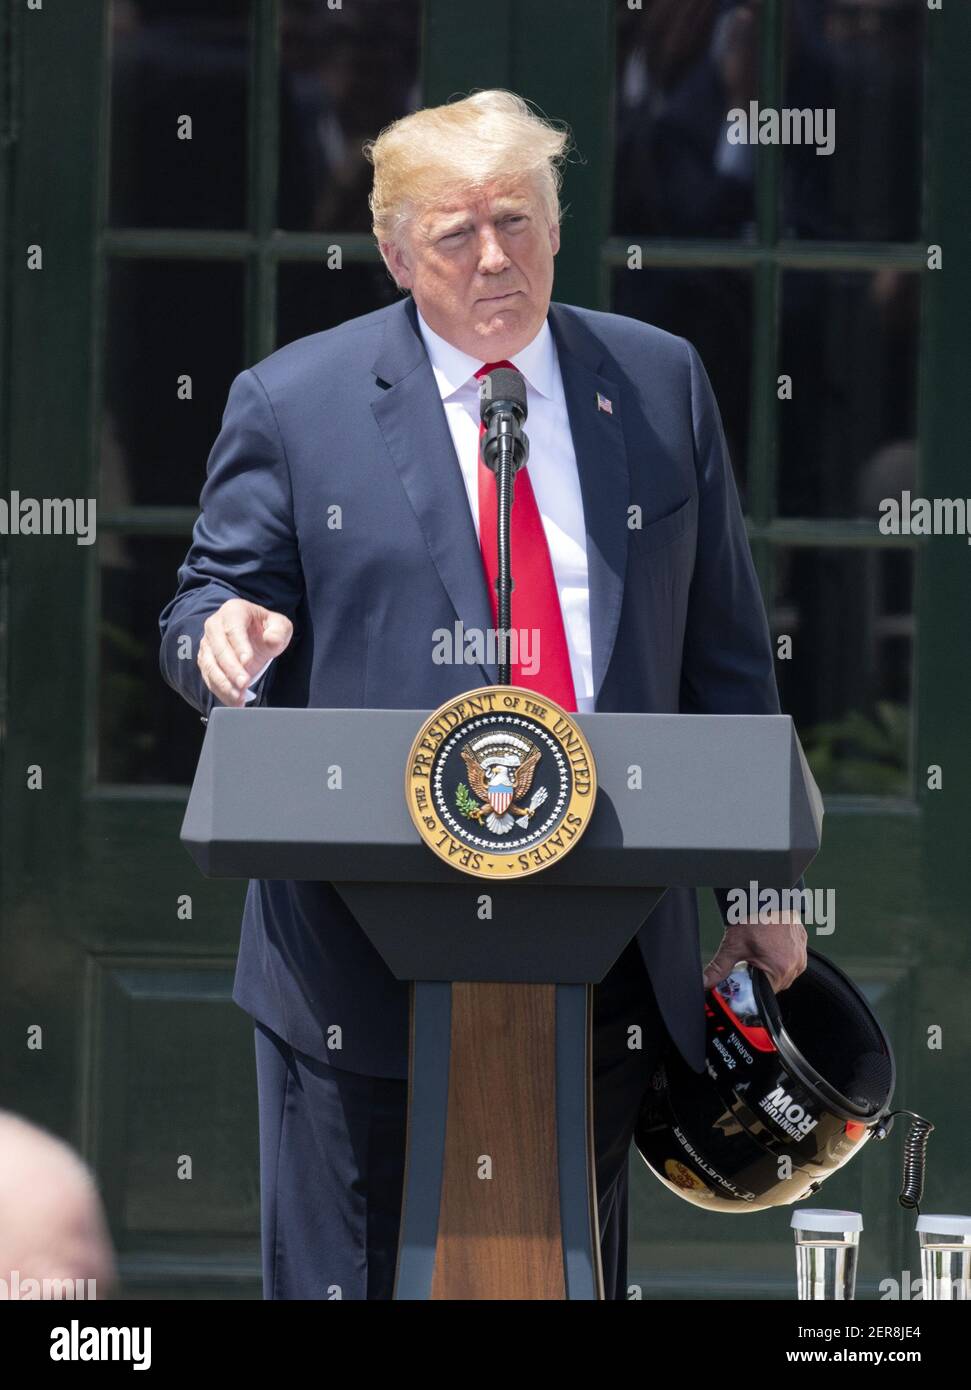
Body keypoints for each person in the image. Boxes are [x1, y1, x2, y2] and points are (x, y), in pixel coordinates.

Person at [159, 89, 807, 1301]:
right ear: (398, 254)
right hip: (356, 954)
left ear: (558, 227)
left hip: (602, 930)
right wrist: (221, 641)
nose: (495, 256)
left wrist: (759, 882)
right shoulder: (295, 403)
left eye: (517, 219)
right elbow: (206, 600)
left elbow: (722, 651)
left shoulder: (656, 384)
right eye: (456, 234)